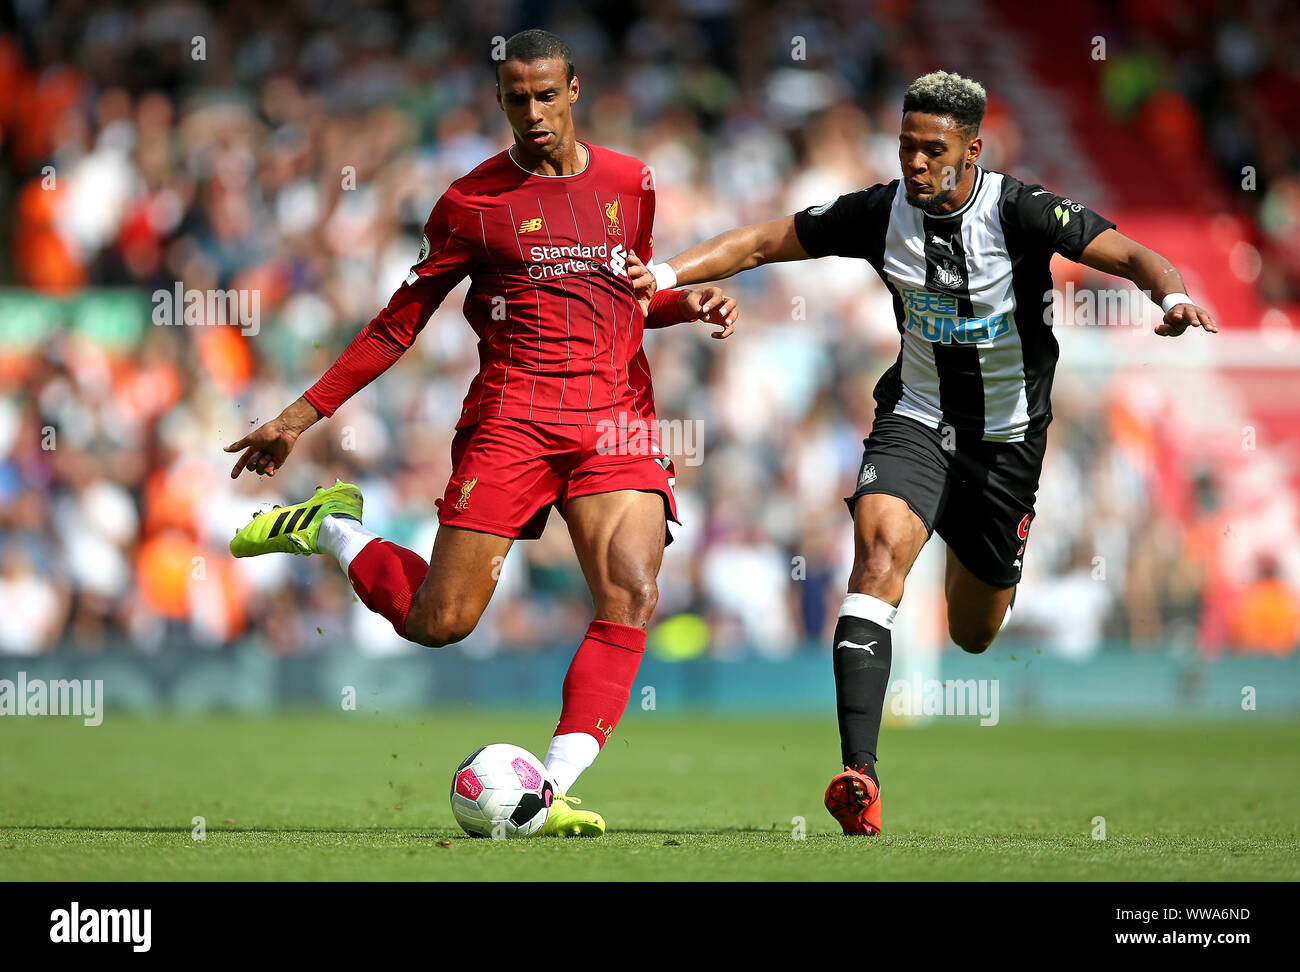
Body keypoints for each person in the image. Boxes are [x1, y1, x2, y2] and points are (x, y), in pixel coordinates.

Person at [630, 70, 1217, 835]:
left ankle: (974, 578)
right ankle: (859, 775)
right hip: (916, 417)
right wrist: (665, 274)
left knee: (973, 633)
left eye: (931, 149)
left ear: (971, 150)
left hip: (1006, 446)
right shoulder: (880, 213)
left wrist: (1170, 297)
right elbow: (762, 240)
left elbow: (1134, 256)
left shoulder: (1022, 210)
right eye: (905, 145)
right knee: (876, 561)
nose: (913, 162)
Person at [224, 29, 739, 838]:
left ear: (574, 89)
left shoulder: (631, 182)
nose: (532, 113)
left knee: (633, 591)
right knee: (442, 621)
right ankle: (332, 528)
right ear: (499, 101)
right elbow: (399, 324)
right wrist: (300, 416)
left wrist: (688, 300)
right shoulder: (471, 203)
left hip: (616, 418)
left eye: (545, 95)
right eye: (515, 99)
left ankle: (551, 786)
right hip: (514, 420)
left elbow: (630, 293)